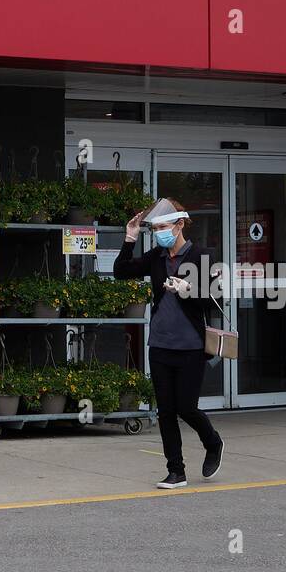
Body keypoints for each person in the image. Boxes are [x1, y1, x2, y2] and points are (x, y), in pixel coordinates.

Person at [114, 196, 225, 489]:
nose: (159, 233)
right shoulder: (156, 257)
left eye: (162, 226)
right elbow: (120, 271)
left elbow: (218, 300)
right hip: (160, 345)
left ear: (179, 225)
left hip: (190, 346)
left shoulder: (202, 256)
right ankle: (176, 471)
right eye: (154, 229)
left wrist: (189, 288)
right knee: (165, 411)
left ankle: (213, 443)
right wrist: (130, 237)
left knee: (186, 407)